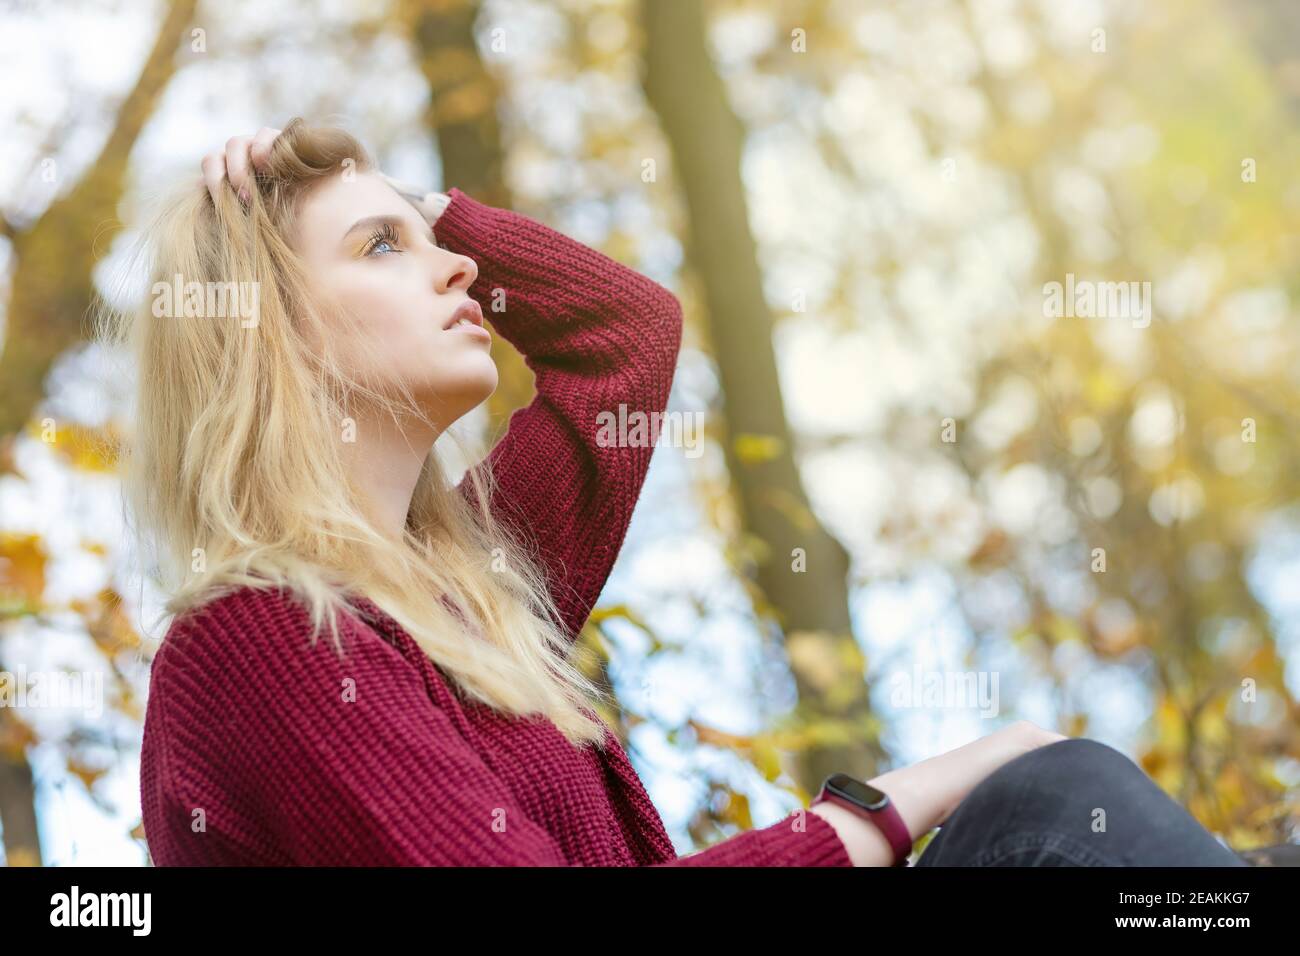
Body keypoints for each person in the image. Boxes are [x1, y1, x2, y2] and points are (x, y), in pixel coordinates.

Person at [105, 121, 1244, 866]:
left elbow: (622, 342)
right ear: (277, 338)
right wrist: (893, 802)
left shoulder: (477, 582)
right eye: (382, 247)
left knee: (1081, 811)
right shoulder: (257, 639)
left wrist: (418, 206)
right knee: (1045, 805)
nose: (456, 269)